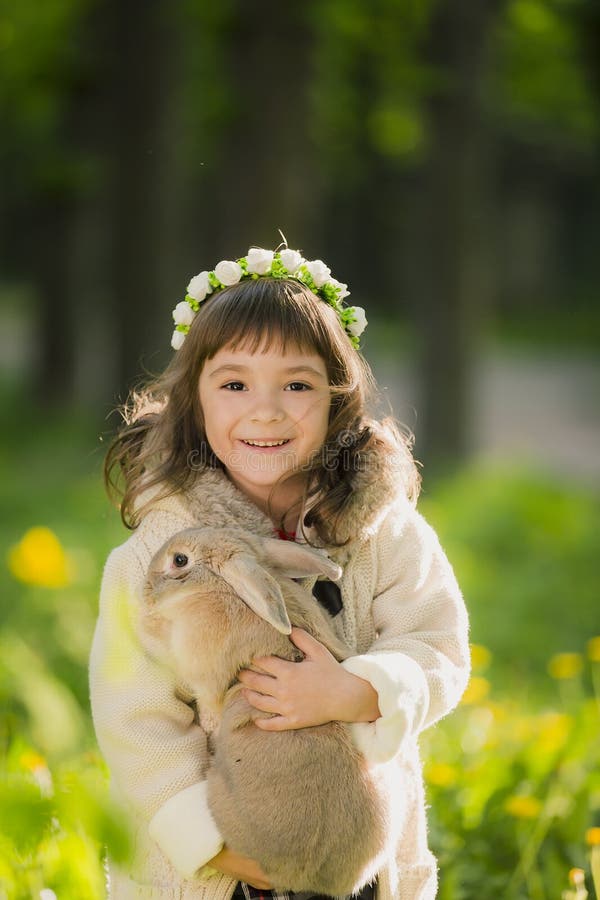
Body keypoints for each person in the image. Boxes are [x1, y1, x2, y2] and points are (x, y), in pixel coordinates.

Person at [89, 243, 470, 900]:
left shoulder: (385, 532)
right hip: (222, 863)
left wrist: (362, 692)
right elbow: (135, 718)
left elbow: (436, 643)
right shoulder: (162, 552)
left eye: (297, 385)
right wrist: (216, 846)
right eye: (234, 384)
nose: (265, 411)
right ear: (195, 399)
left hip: (353, 850)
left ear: (336, 397)